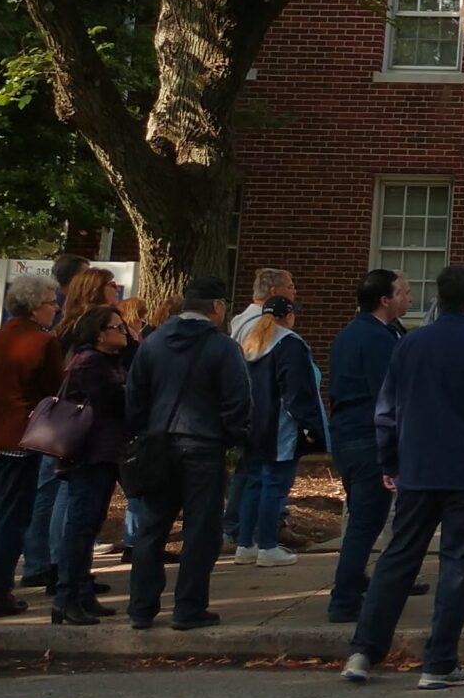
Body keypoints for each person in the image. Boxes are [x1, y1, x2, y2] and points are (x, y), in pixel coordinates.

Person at [344, 263, 464, 691]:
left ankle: (364, 651)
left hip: (418, 468)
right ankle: (439, 661)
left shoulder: (409, 345)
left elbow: (386, 410)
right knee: (458, 564)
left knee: (397, 559)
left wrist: (390, 461)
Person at [123, 274, 254, 631]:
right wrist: (233, 437)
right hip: (204, 445)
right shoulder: (224, 347)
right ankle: (188, 606)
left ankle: (141, 607)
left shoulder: (153, 343)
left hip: (158, 443)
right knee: (201, 529)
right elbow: (238, 401)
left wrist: (144, 432)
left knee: (152, 528)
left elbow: (134, 397)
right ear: (216, 307)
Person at [0, 270, 65, 618]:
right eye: (51, 303)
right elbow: (52, 391)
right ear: (34, 308)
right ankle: (0, 589)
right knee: (12, 516)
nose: (56, 309)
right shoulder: (44, 343)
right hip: (18, 436)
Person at [22, 256, 115, 593]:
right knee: (62, 491)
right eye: (110, 286)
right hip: (76, 421)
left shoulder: (66, 326)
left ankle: (50, 564)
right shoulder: (85, 328)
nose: (116, 290)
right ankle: (60, 566)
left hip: (67, 419)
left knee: (53, 490)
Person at [325, 268, 408, 623]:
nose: (409, 297)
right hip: (368, 440)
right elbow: (389, 395)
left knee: (362, 516)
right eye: (403, 292)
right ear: (384, 299)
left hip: (347, 437)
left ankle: (355, 582)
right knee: (365, 522)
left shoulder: (349, 334)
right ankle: (344, 598)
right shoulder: (377, 340)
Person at [49, 305, 132, 625]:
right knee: (80, 525)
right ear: (99, 333)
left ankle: (81, 591)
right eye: (117, 327)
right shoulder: (90, 364)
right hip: (89, 453)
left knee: (89, 524)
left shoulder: (107, 362)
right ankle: (66, 596)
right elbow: (113, 403)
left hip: (104, 452)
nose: (123, 332)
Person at [237, 295, 327, 567]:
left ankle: (246, 544)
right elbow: (296, 390)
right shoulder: (289, 343)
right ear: (287, 315)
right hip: (280, 426)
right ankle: (267, 545)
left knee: (254, 483)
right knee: (275, 485)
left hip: (253, 424)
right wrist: (311, 425)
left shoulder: (251, 343)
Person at [223, 266, 297, 553]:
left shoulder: (242, 320)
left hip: (249, 409)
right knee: (263, 476)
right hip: (266, 412)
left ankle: (242, 532)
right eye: (290, 286)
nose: (294, 291)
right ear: (275, 292)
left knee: (250, 472)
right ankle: (259, 534)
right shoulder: (266, 329)